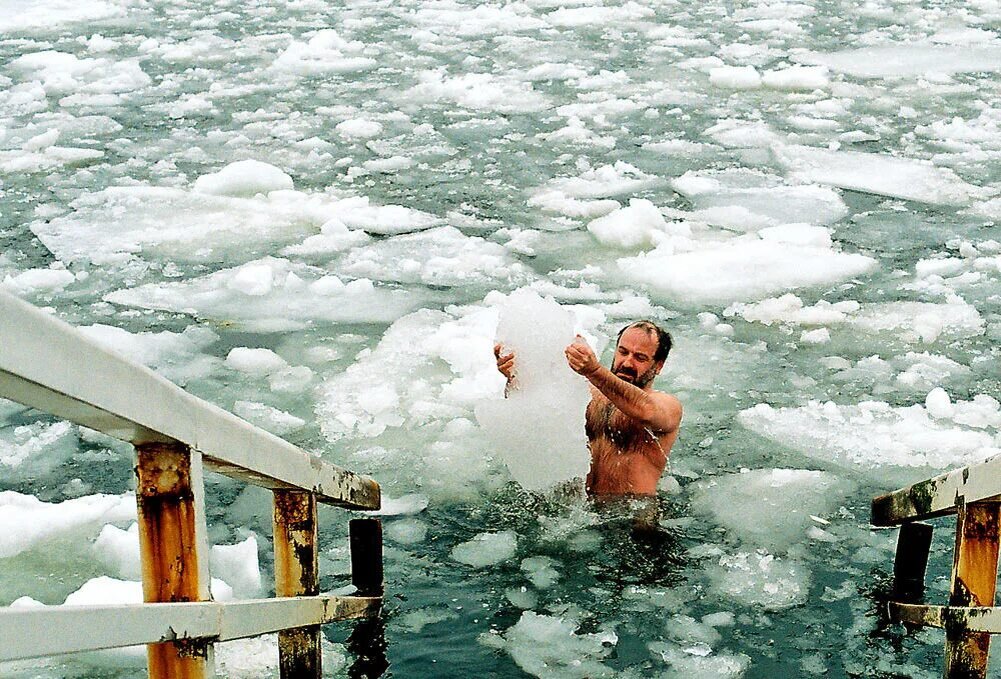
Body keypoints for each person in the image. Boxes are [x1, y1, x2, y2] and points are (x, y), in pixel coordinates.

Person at [494, 320, 682, 497]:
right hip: (580, 511)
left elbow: (646, 412)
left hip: (632, 514)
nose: (626, 363)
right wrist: (514, 377)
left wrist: (593, 371)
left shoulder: (667, 405)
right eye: (623, 352)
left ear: (658, 366)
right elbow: (534, 414)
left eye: (639, 358)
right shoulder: (589, 392)